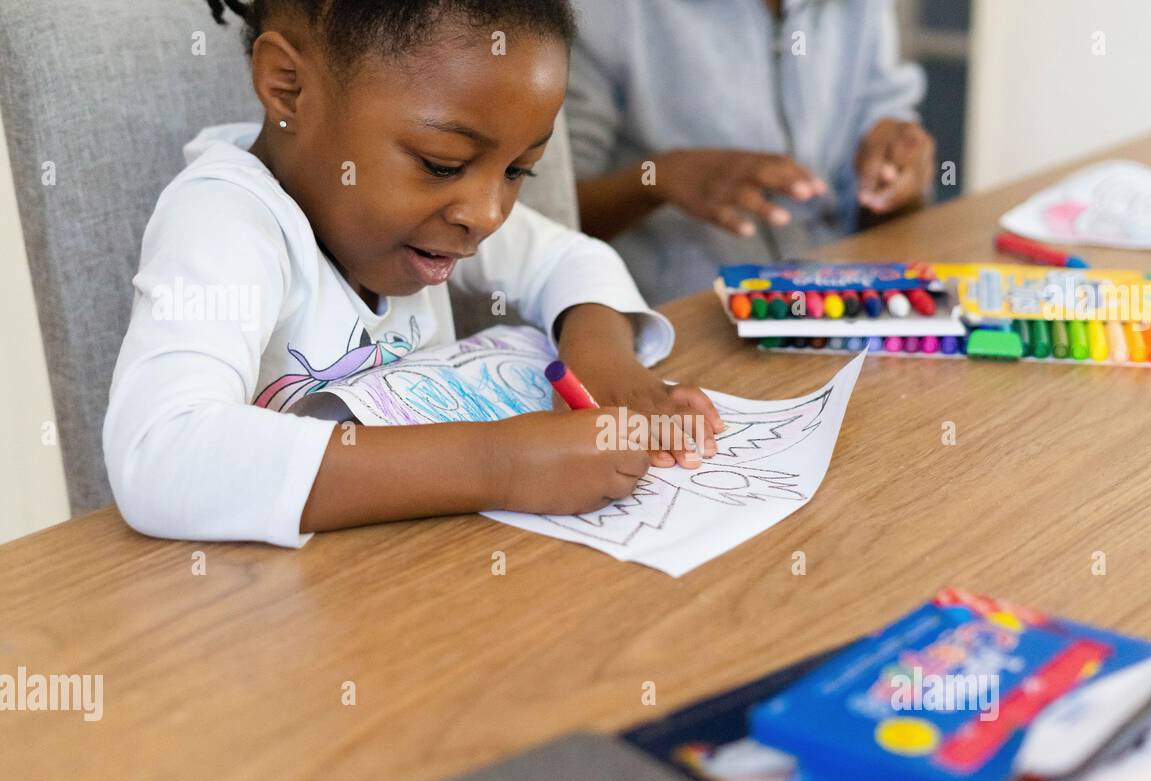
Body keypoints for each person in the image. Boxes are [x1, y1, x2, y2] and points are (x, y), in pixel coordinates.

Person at [103, 0, 723, 548]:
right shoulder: (227, 221)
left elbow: (573, 259)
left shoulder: (426, 223)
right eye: (441, 163)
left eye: (517, 171)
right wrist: (501, 464)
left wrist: (604, 361)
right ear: (289, 86)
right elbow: (160, 454)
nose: (486, 215)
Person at [568, 0, 933, 304]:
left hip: (832, 302)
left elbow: (884, 194)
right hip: (673, 324)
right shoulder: (600, 13)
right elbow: (549, 217)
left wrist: (898, 175)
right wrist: (658, 179)